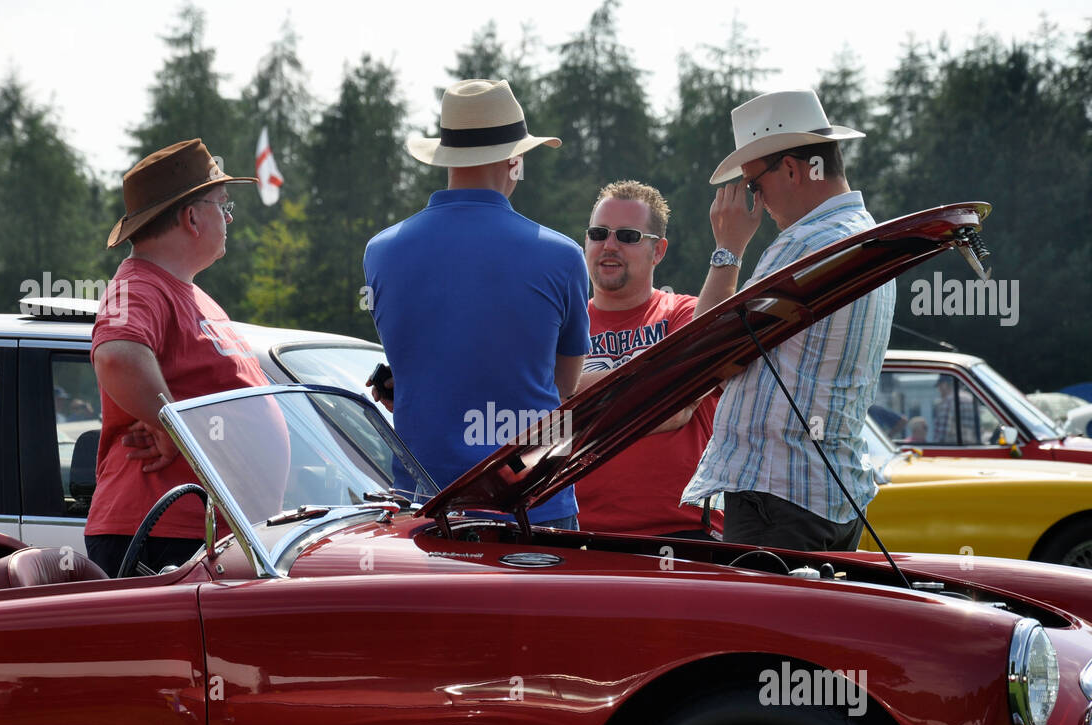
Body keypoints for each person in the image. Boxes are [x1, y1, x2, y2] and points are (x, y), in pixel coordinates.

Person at [364, 79, 590, 528]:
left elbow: (414, 359)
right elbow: (564, 386)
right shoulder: (562, 255)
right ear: (514, 161)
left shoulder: (380, 251)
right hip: (533, 500)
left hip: (422, 501)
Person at [681, 89, 896, 551]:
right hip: (830, 492)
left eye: (753, 185)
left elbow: (704, 355)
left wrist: (728, 249)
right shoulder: (869, 236)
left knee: (755, 625)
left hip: (777, 496)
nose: (752, 201)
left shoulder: (803, 245)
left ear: (794, 170)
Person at [85, 139, 271, 576]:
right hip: (163, 531)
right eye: (222, 205)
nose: (228, 218)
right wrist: (182, 430)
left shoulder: (183, 291)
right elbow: (116, 356)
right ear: (191, 217)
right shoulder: (140, 285)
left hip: (194, 529)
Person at [572, 180, 724, 539]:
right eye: (598, 233)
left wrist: (576, 400)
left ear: (658, 251)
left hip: (682, 535)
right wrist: (654, 385)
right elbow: (541, 410)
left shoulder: (685, 312)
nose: (609, 245)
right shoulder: (561, 324)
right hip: (577, 534)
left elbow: (677, 401)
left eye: (627, 235)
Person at [931, 376, 979, 444]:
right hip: (972, 444)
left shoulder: (947, 401)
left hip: (953, 446)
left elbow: (941, 433)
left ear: (944, 385)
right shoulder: (970, 398)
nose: (939, 390)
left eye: (939, 386)